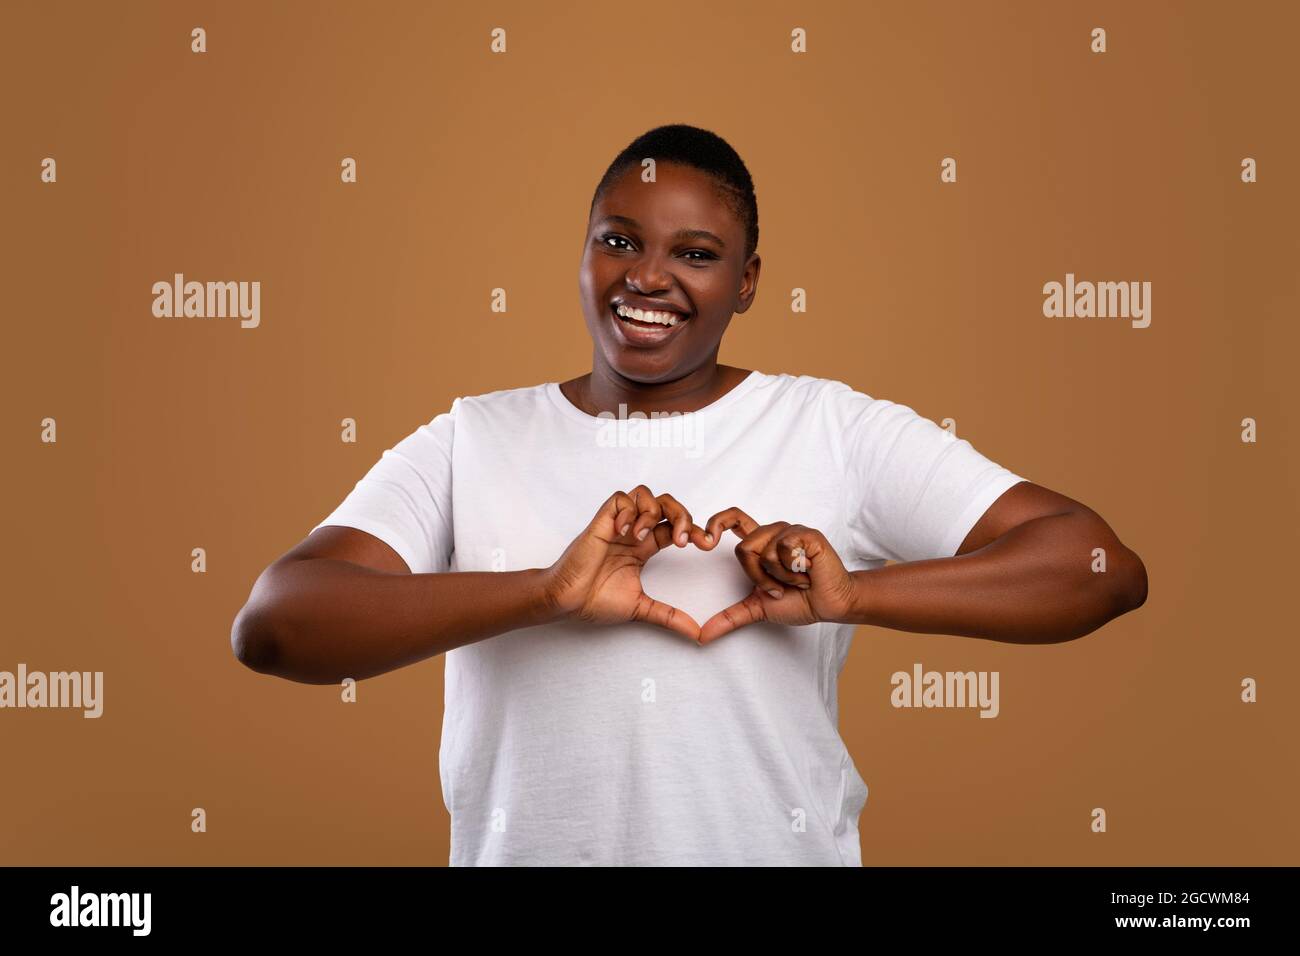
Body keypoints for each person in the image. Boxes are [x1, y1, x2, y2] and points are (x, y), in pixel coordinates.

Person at [231, 123, 1147, 866]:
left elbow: (1098, 567)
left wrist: (861, 595)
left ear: (745, 283)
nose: (648, 276)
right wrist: (545, 593)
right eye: (618, 241)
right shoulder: (476, 436)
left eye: (696, 253)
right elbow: (275, 625)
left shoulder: (827, 426)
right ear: (584, 253)